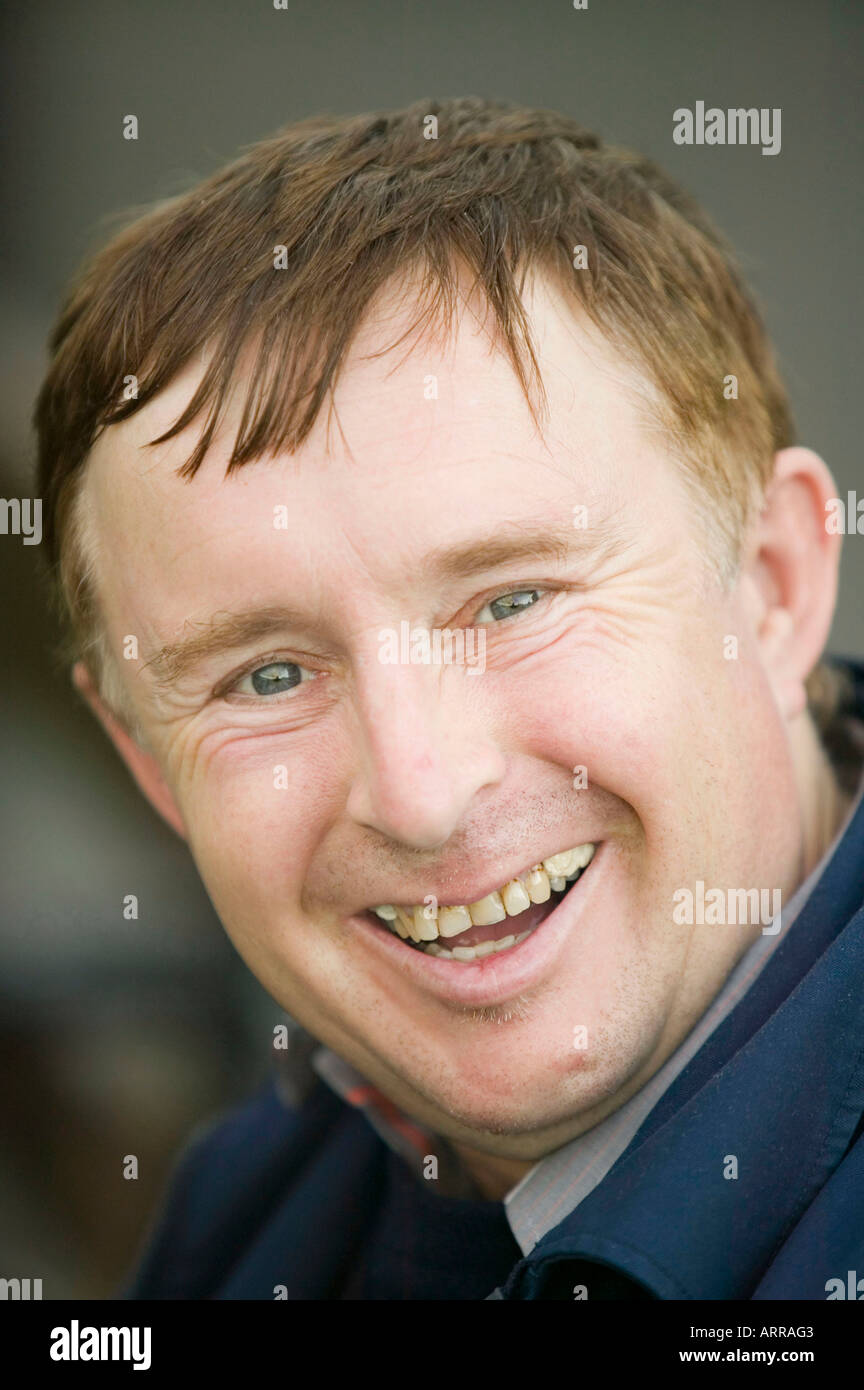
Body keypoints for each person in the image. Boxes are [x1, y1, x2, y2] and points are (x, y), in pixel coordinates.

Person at [33, 97, 864, 1300]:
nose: (419, 793)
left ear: (776, 588)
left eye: (513, 601)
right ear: (153, 764)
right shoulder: (240, 1220)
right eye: (268, 675)